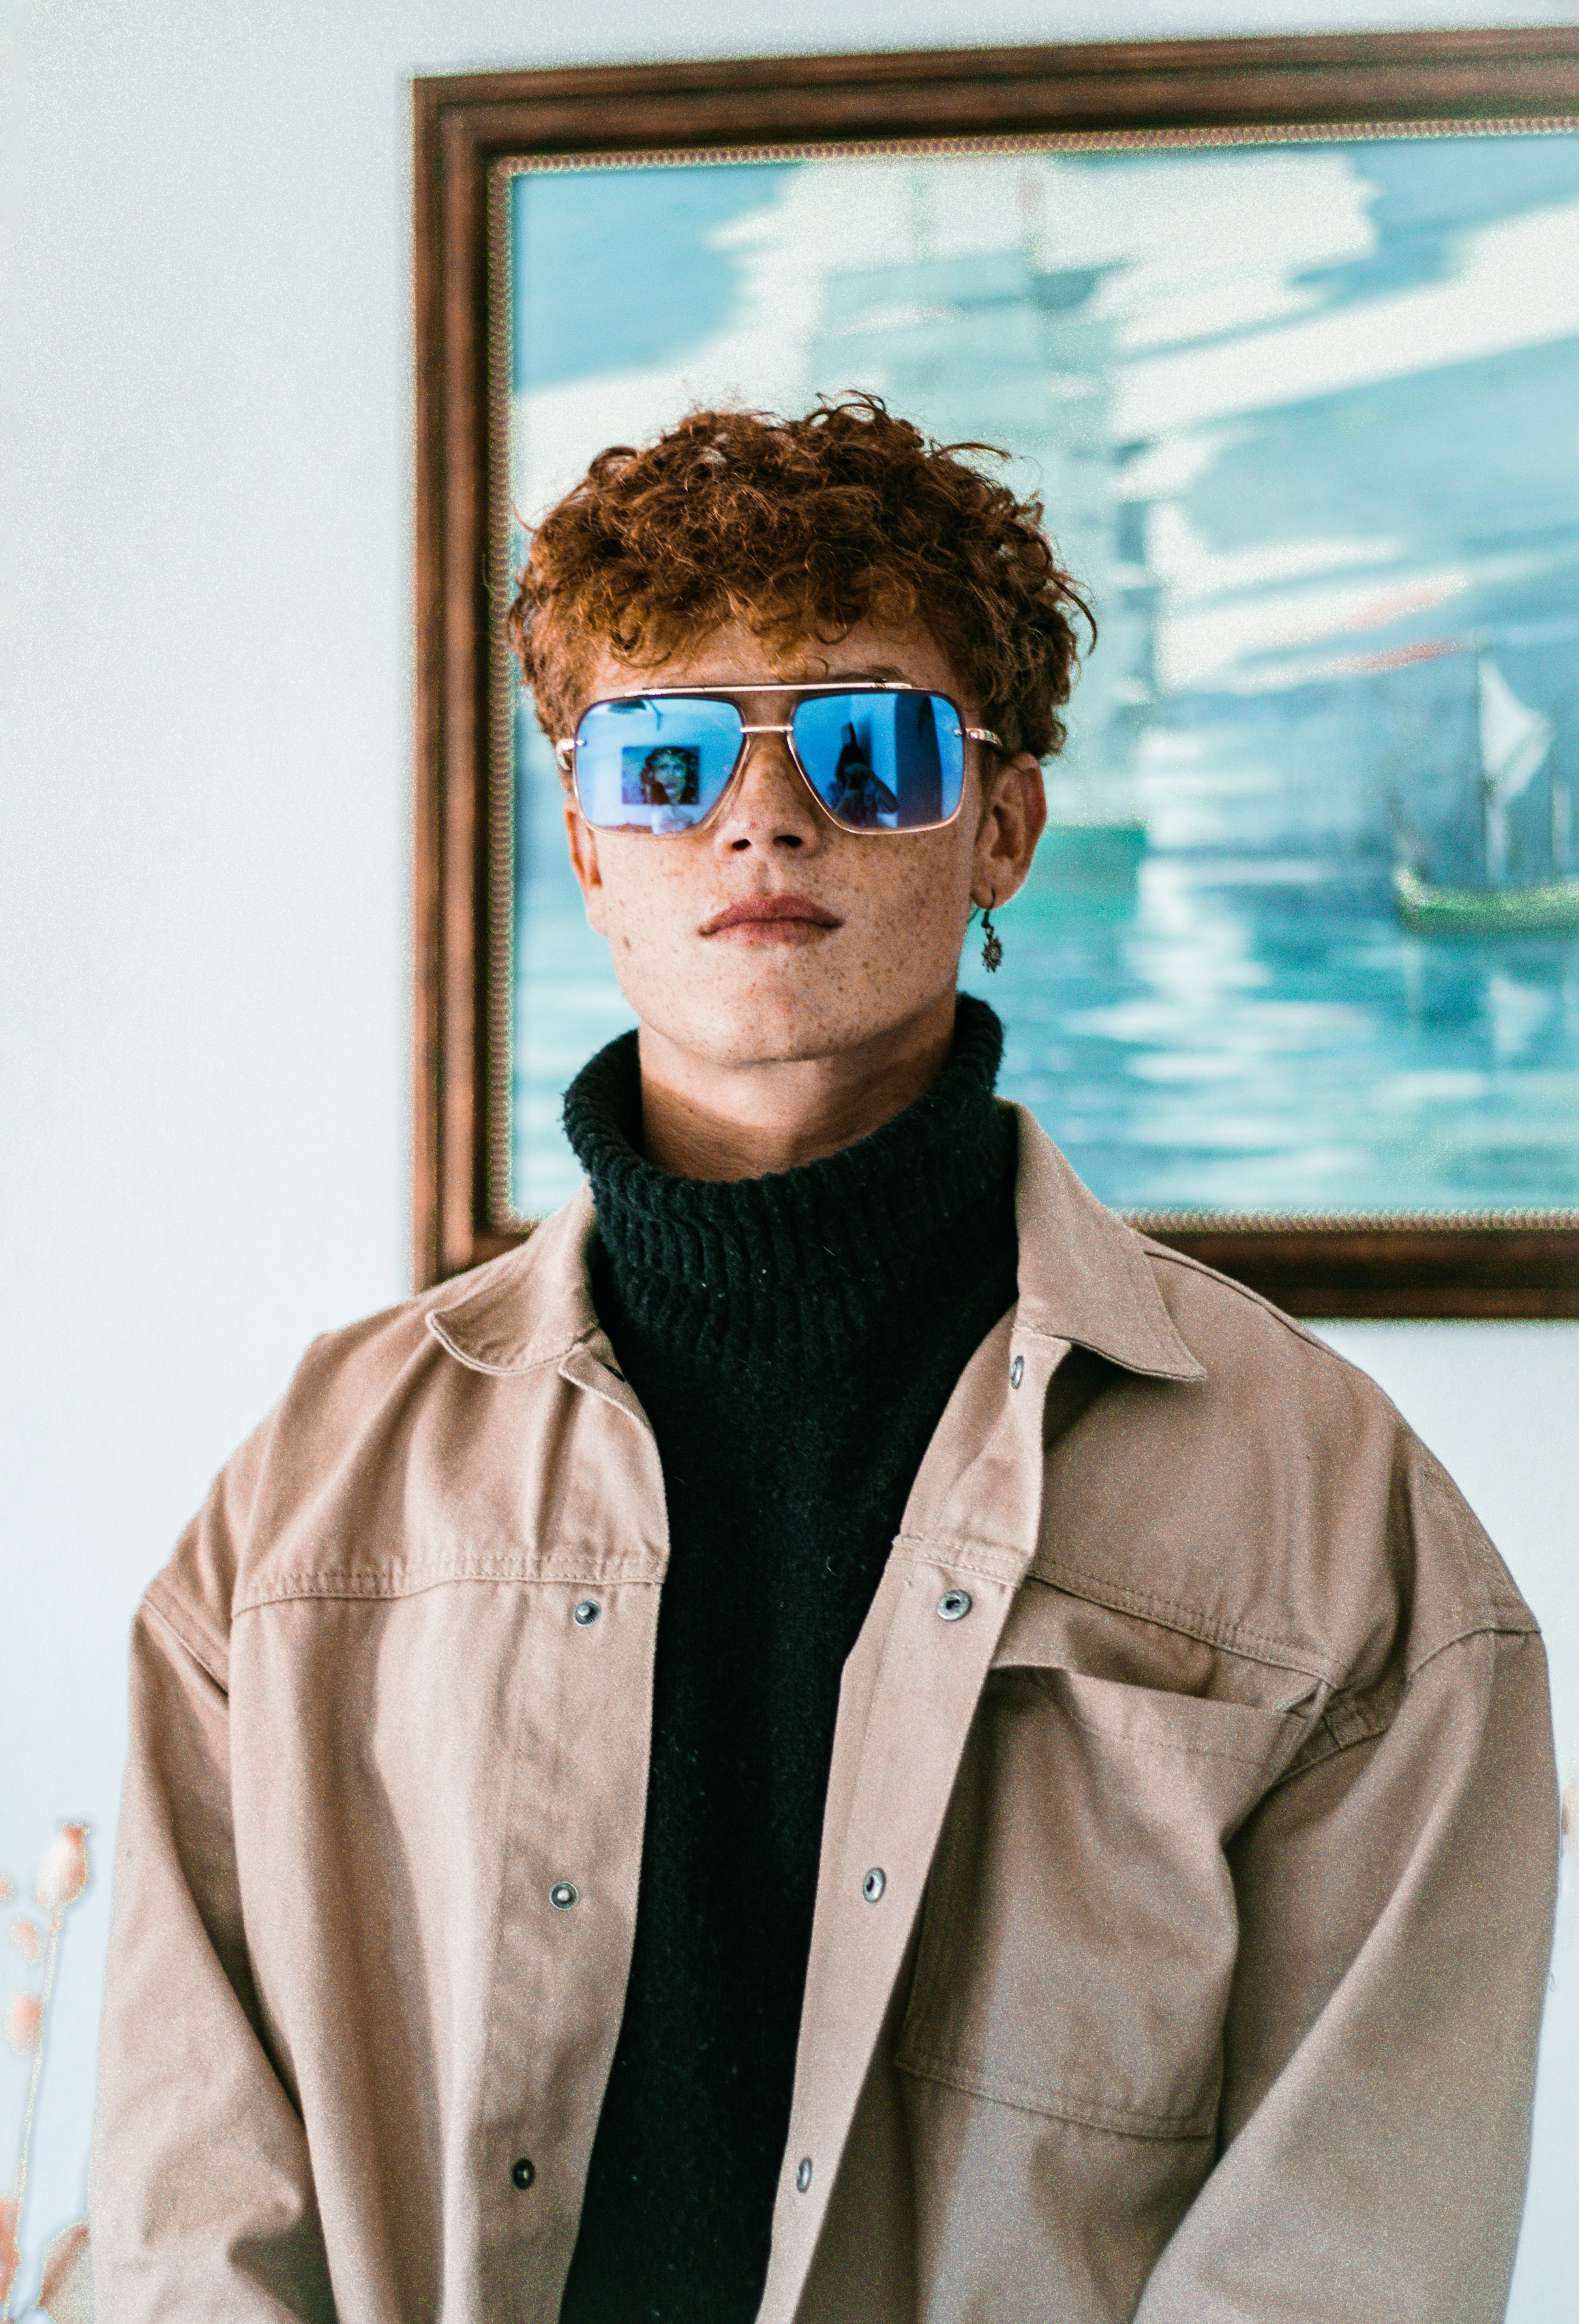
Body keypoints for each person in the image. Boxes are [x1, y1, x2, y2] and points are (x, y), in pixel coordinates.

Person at [90, 397, 1558, 2324]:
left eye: (869, 749)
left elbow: (1354, 2239)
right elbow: (194, 2210)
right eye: (669, 757)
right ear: (587, 844)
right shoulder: (313, 1495)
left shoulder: (1330, 1512)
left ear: (1001, 826)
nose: (763, 816)